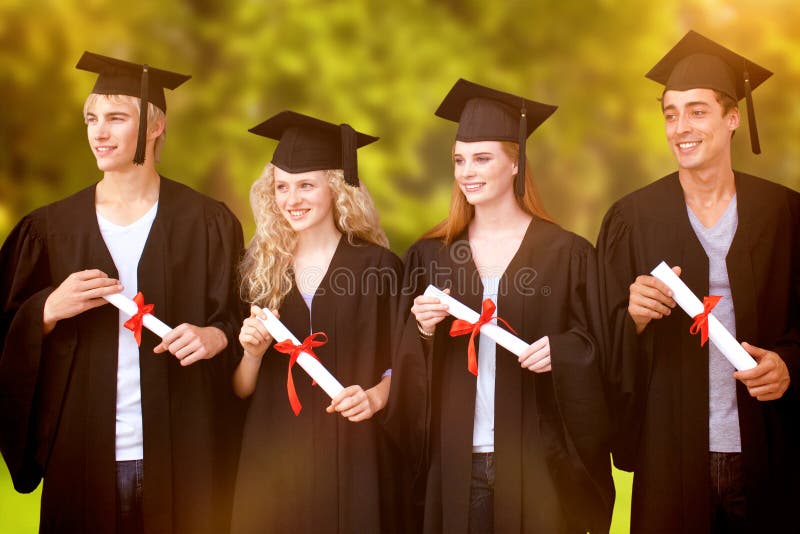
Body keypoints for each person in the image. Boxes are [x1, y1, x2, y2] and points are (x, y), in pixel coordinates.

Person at [0, 52, 244, 533]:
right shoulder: (48, 230)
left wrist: (216, 336)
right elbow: (5, 333)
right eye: (92, 119)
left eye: (116, 118)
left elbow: (245, 322)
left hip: (186, 460)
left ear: (155, 126)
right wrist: (45, 311)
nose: (99, 132)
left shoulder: (208, 223)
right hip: (81, 458)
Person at [389, 78, 614, 534]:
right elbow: (404, 370)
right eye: (459, 160)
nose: (467, 171)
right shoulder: (430, 256)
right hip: (455, 462)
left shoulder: (567, 254)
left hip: (538, 464)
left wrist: (563, 351)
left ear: (515, 162)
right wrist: (423, 331)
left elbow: (600, 348)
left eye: (482, 158)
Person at [597, 31, 800, 533]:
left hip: (771, 452)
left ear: (733, 118)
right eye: (670, 114)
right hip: (669, 456)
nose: (680, 127)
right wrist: (632, 318)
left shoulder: (785, 213)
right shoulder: (631, 219)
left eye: (697, 111)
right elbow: (597, 342)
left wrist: (789, 365)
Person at [230, 111, 405, 533]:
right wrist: (252, 354)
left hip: (356, 454)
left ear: (336, 188)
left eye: (306, 185)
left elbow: (407, 364)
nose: (292, 199)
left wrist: (376, 396)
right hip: (275, 459)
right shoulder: (259, 272)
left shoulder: (378, 268)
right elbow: (239, 389)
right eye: (282, 187)